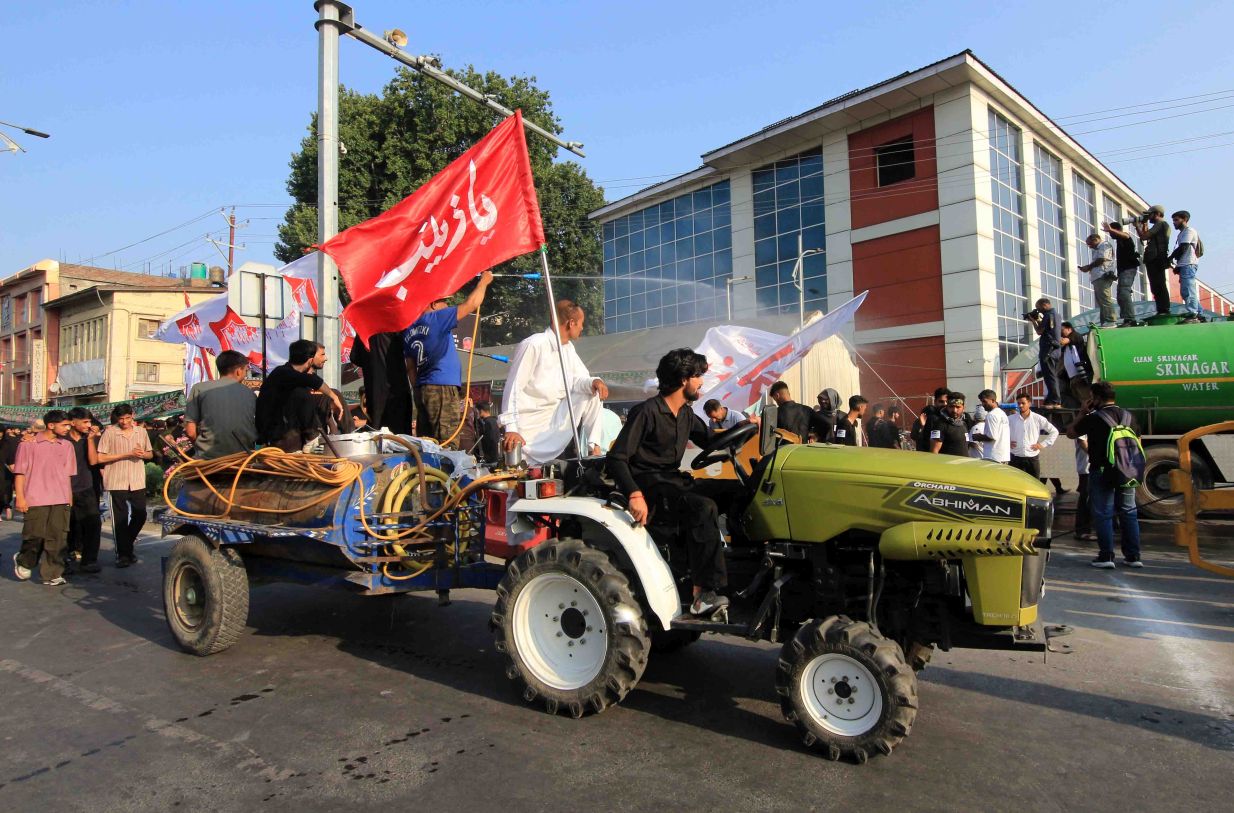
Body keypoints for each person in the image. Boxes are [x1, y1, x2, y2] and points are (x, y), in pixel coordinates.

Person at [607, 349, 747, 616]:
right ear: (684, 379)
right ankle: (703, 593)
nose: (701, 383)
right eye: (698, 376)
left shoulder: (685, 414)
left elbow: (711, 440)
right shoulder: (647, 412)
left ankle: (743, 564)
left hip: (674, 482)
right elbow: (617, 458)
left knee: (738, 491)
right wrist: (635, 494)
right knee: (703, 507)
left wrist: (748, 429)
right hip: (650, 486)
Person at [501, 299, 609, 463]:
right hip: (528, 428)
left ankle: (594, 448)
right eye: (581, 323)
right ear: (571, 323)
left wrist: (595, 382)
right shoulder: (534, 344)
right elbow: (513, 387)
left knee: (593, 389)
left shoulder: (568, 349)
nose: (582, 328)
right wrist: (511, 428)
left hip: (553, 423)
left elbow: (579, 380)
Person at [404, 270, 493, 445]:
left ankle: (428, 471)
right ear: (433, 303)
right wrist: (484, 282)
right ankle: (446, 471)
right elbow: (471, 303)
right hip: (442, 386)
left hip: (423, 388)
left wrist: (418, 387)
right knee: (448, 441)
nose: (447, 305)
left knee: (426, 442)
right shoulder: (437, 317)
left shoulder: (409, 330)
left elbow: (410, 367)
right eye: (444, 301)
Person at [1066, 381, 1142, 568]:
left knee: (1103, 513)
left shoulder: (1094, 418)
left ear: (1097, 398)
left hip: (1101, 471)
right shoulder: (1129, 416)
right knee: (1129, 512)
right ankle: (1133, 557)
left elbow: (1070, 433)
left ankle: (1106, 556)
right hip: (1127, 471)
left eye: (1092, 397)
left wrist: (1082, 413)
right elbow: (1138, 441)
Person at [12, 410, 76, 586]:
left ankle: (52, 573)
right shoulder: (28, 445)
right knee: (34, 535)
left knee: (58, 538)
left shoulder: (67, 446)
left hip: (60, 498)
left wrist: (69, 498)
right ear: (51, 425)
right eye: (64, 425)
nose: (68, 428)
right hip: (35, 498)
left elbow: (68, 475)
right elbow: (20, 473)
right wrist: (20, 498)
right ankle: (24, 560)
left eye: (69, 424)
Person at [255, 339, 348, 452]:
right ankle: (312, 439)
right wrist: (334, 397)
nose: (326, 358)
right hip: (277, 437)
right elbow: (313, 381)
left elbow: (314, 380)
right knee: (302, 394)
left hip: (284, 433)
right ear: (310, 361)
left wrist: (334, 397)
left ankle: (342, 435)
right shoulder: (284, 374)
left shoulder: (286, 373)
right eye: (321, 355)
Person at [96, 404, 154, 568]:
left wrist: (143, 454)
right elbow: (101, 458)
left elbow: (149, 453)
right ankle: (123, 555)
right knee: (120, 519)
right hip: (116, 480)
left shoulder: (141, 432)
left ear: (132, 416)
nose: (124, 422)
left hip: (136, 480)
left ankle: (126, 545)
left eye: (127, 418)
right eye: (121, 419)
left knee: (140, 514)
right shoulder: (109, 432)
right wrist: (127, 454)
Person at [185, 349, 258, 459]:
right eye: (246, 370)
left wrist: (202, 447)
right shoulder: (250, 394)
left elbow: (191, 432)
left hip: (207, 461)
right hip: (242, 461)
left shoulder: (199, 388)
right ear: (238, 371)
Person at [350, 332, 413, 435]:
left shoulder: (364, 329)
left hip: (374, 391)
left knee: (377, 434)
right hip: (397, 390)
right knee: (400, 435)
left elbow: (355, 357)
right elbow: (412, 351)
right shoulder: (398, 326)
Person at [64, 407, 102, 574]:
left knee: (93, 524)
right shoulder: (62, 440)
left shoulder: (90, 439)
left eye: (89, 422)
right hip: (65, 488)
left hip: (86, 487)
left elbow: (93, 461)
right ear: (73, 423)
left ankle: (89, 560)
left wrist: (90, 440)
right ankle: (63, 559)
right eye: (85, 422)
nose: (88, 425)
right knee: (66, 526)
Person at [1102, 220, 1145, 326]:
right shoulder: (1119, 242)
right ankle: (1127, 318)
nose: (1111, 235)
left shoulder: (1125, 238)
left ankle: (1130, 319)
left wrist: (1111, 229)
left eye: (1111, 233)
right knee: (1121, 294)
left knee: (1124, 292)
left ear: (1116, 230)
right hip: (1124, 270)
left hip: (1128, 269)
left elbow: (1126, 235)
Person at [1007, 394, 1059, 478]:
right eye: (1018, 403)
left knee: (1034, 484)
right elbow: (1001, 433)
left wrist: (1043, 444)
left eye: (1023, 403)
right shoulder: (1010, 419)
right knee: (1015, 485)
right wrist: (1007, 442)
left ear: (1029, 403)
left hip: (1032, 457)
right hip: (1015, 457)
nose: (1020, 405)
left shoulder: (1038, 418)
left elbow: (1054, 431)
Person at [1135, 204, 1172, 317]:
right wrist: (1144, 225)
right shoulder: (1160, 225)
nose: (1148, 217)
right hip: (1154, 258)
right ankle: (1162, 308)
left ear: (1157, 213)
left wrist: (1137, 226)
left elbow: (1144, 237)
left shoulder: (1160, 224)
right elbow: (1148, 236)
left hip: (1156, 258)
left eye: (1150, 214)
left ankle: (1163, 309)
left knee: (1158, 284)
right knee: (1156, 284)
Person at [1168, 210, 1204, 323]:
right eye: (1173, 220)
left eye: (1176, 220)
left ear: (1185, 220)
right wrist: (1178, 265)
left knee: (1188, 290)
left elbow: (1183, 248)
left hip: (1189, 264)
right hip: (1185, 264)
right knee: (1186, 291)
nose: (1174, 222)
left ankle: (1193, 313)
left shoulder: (1189, 231)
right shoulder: (1181, 233)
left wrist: (1170, 257)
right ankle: (1200, 314)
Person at [1027, 298, 1063, 407]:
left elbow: (1039, 331)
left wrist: (1033, 321)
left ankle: (1055, 400)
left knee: (1049, 376)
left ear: (1045, 305)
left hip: (1048, 351)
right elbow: (1048, 329)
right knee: (1052, 375)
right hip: (1055, 351)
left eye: (1039, 308)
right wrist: (1038, 320)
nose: (1039, 311)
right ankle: (1054, 399)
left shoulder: (1048, 315)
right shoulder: (1056, 315)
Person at [1077, 233, 1117, 327]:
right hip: (1098, 277)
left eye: (1090, 244)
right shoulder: (1097, 249)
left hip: (1102, 275)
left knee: (1105, 298)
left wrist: (1089, 267)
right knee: (1101, 301)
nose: (1089, 246)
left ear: (1095, 240)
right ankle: (1105, 321)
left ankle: (1111, 320)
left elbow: (1102, 259)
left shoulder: (1104, 245)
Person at [1060, 322, 1092, 408]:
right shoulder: (1067, 344)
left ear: (1069, 329)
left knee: (1085, 398)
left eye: (1062, 330)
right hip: (1073, 376)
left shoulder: (1075, 335)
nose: (1060, 333)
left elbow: (1063, 342)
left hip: (1080, 374)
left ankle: (1089, 413)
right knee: (1078, 399)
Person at [928, 392, 971, 456]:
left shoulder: (963, 423)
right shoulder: (940, 424)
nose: (954, 410)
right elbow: (934, 452)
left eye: (958, 407)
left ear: (963, 408)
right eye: (951, 406)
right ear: (947, 407)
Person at [972, 390, 1010, 463]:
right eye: (982, 402)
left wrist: (978, 437)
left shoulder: (991, 415)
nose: (983, 404)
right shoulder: (1002, 413)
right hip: (1003, 456)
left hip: (994, 457)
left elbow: (992, 436)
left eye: (984, 401)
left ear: (993, 400)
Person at [1073, 436, 1096, 542]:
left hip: (1096, 466)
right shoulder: (1085, 420)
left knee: (1094, 498)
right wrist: (1096, 455)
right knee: (1086, 498)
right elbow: (1082, 441)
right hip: (1087, 468)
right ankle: (1082, 531)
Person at [0, 426, 22, 519]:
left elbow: (10, 462)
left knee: (2, 492)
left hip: (2, 474)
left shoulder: (6, 445)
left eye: (1, 436)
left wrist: (18, 474)